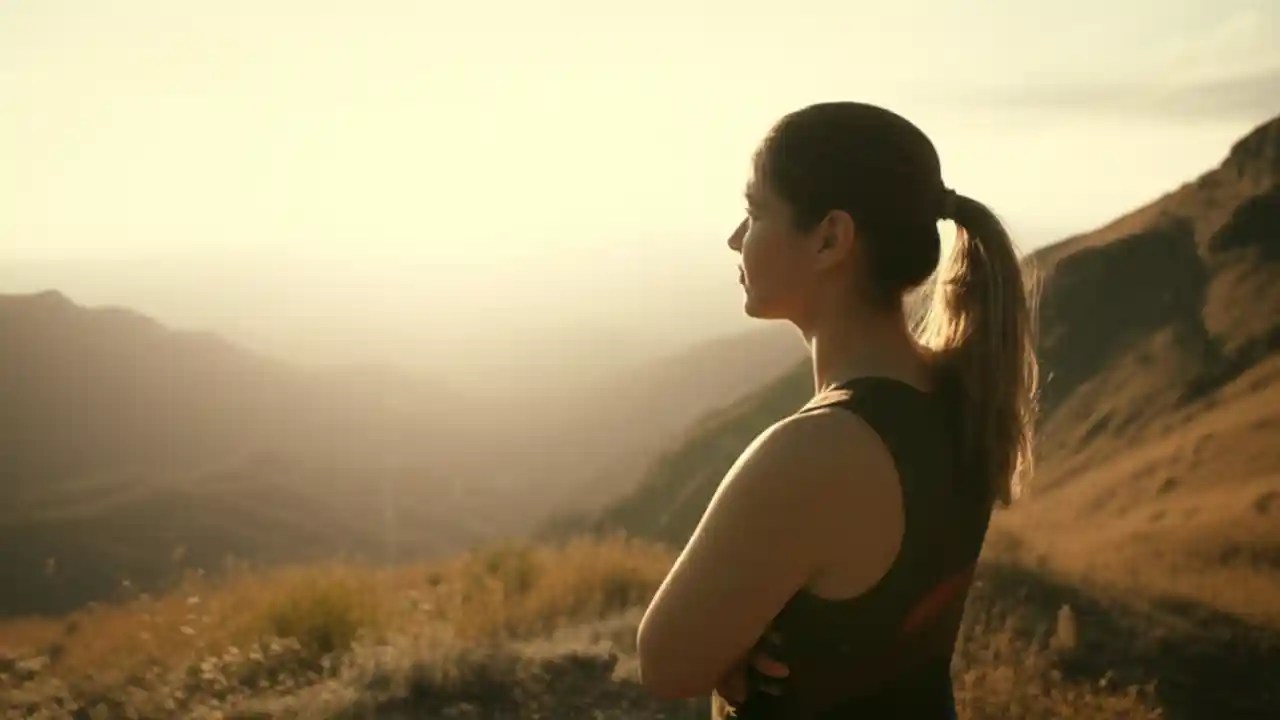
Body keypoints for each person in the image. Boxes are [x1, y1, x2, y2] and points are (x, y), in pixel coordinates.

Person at [636, 101, 1038, 718]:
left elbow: (666, 664)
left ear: (830, 239)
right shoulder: (957, 396)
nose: (735, 239)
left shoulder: (820, 449)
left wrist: (729, 653)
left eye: (754, 212)